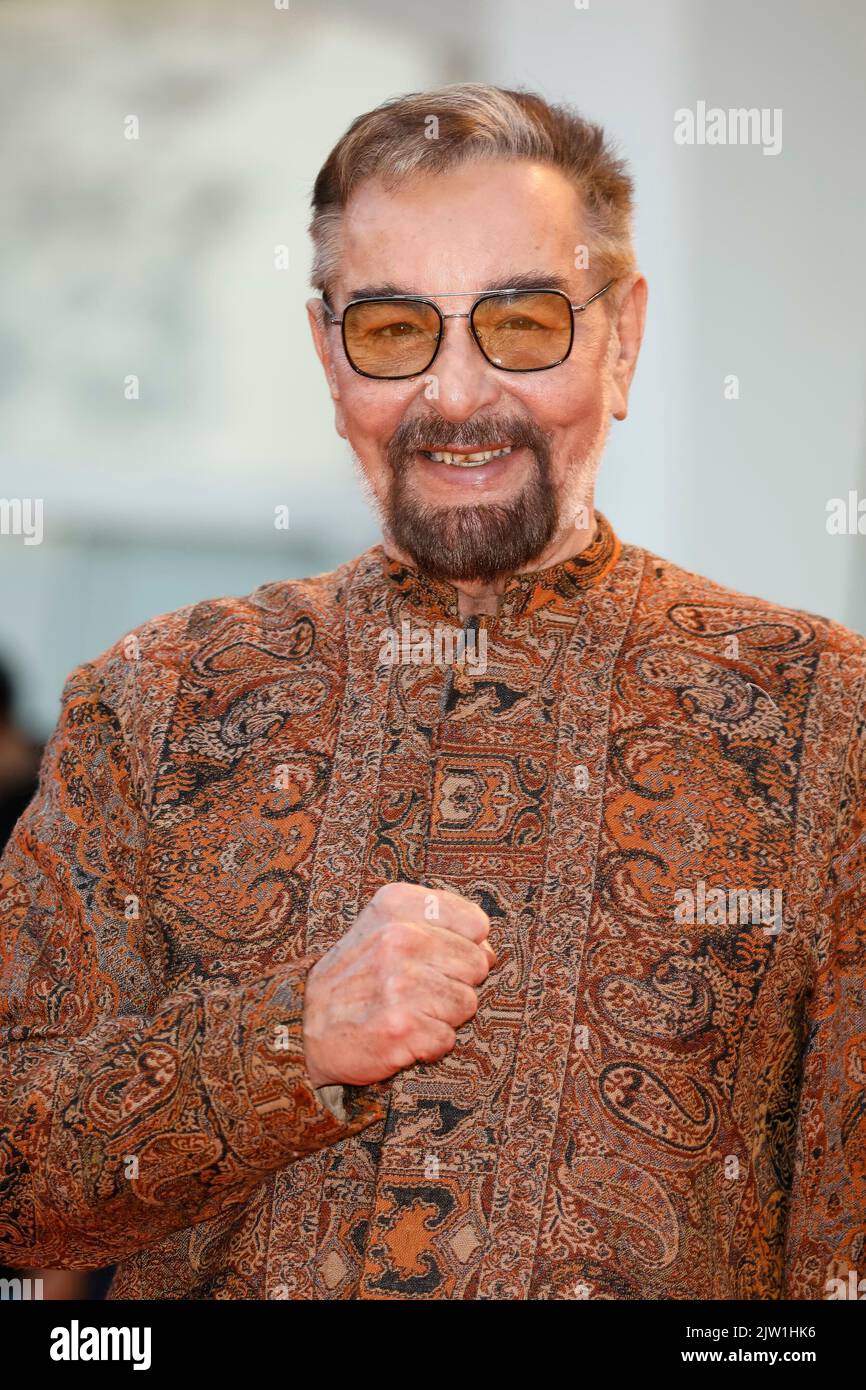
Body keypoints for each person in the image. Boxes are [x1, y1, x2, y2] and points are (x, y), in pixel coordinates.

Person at [0, 84, 863, 1301]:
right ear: (328, 354)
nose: (455, 397)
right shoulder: (153, 705)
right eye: (395, 329)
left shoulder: (822, 716)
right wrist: (292, 1041)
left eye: (521, 322)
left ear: (620, 339)